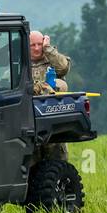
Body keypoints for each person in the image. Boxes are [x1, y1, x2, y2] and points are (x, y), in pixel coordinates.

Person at [29, 30, 71, 162]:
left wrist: (48, 49)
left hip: (52, 118)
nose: (36, 48)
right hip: (30, 122)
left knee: (57, 163)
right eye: (32, 45)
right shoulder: (19, 65)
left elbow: (63, 68)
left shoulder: (52, 60)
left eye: (39, 44)